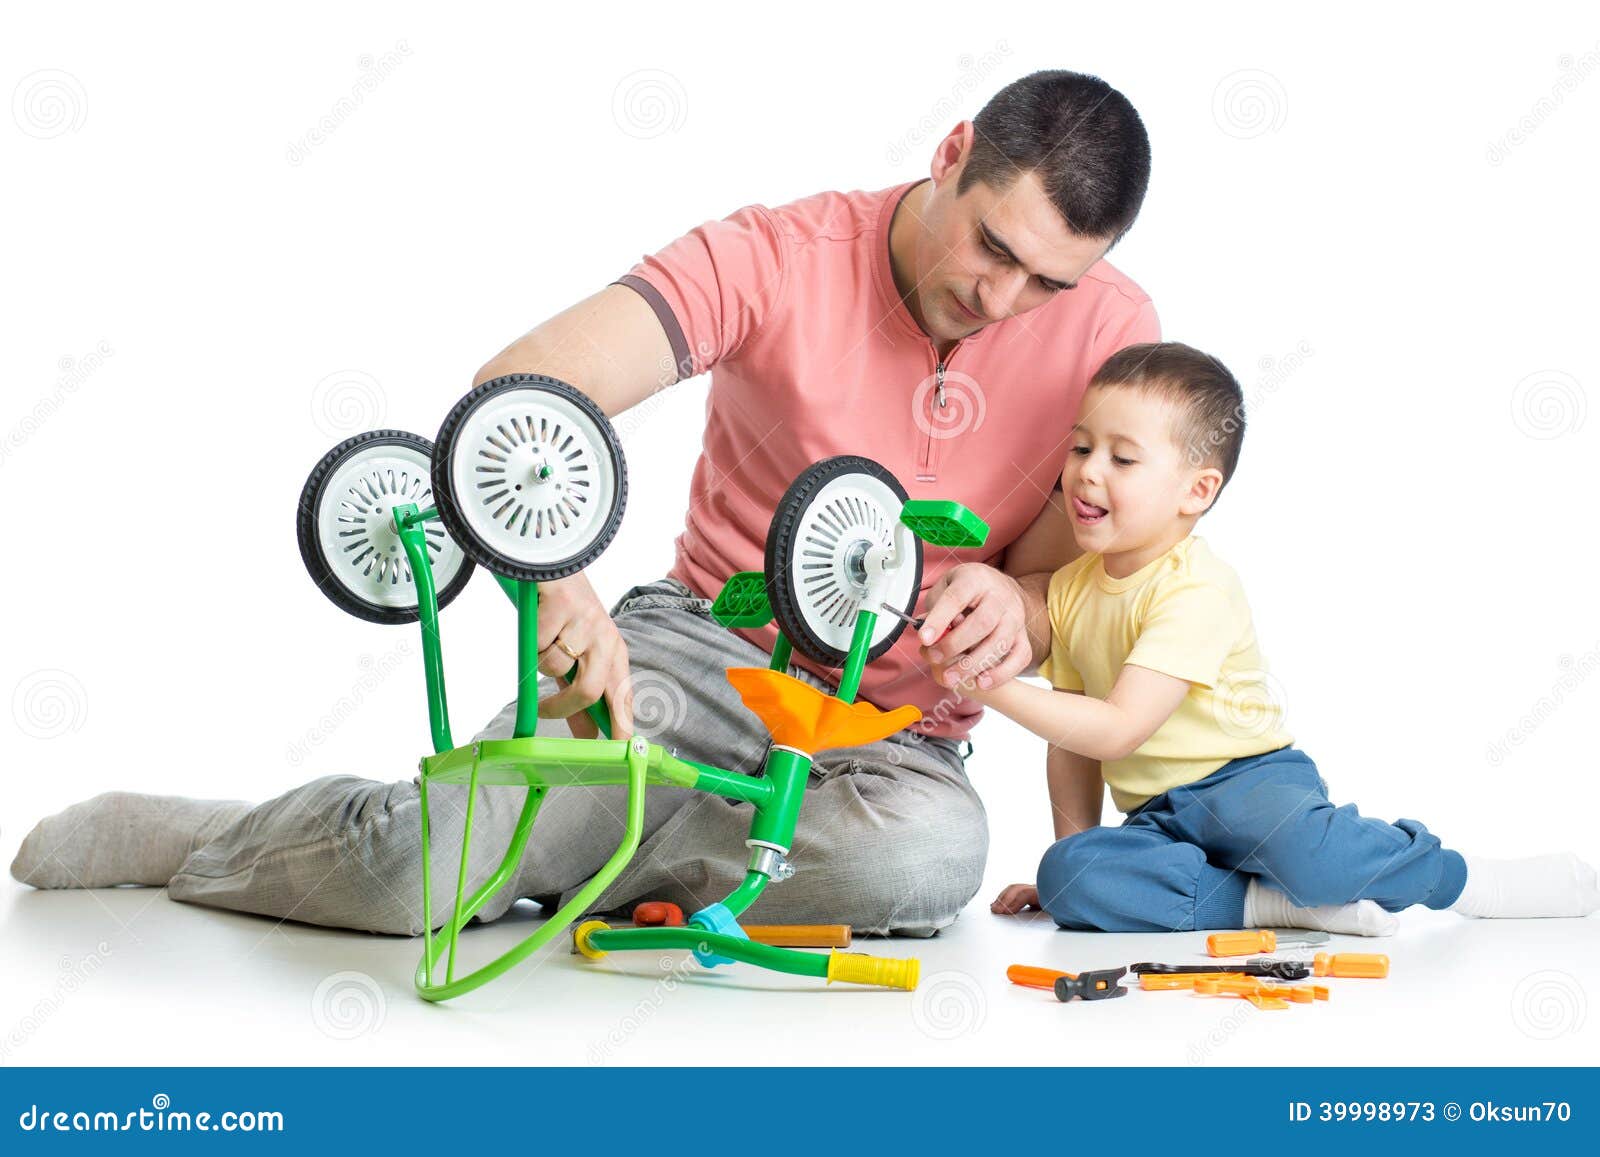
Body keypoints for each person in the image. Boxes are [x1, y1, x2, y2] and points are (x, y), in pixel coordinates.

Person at [11, 71, 1161, 938]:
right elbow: (526, 386)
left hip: (889, 748)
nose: (1002, 299)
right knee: (417, 883)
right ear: (954, 151)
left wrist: (1022, 611)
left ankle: (580, 842)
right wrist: (559, 586)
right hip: (699, 661)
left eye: (1048, 282)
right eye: (992, 248)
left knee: (926, 863)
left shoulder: (1114, 329)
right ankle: (215, 834)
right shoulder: (775, 254)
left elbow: (1073, 579)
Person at [936, 342, 1600, 933]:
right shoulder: (1070, 589)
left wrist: (990, 684)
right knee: (1070, 877)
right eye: (1081, 447)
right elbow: (1074, 744)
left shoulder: (1197, 587)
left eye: (1123, 457)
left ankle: (1464, 880)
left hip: (1249, 786)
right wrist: (1070, 863)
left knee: (1318, 857)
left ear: (1196, 491)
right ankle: (1271, 905)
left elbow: (1115, 728)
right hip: (1158, 816)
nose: (1086, 471)